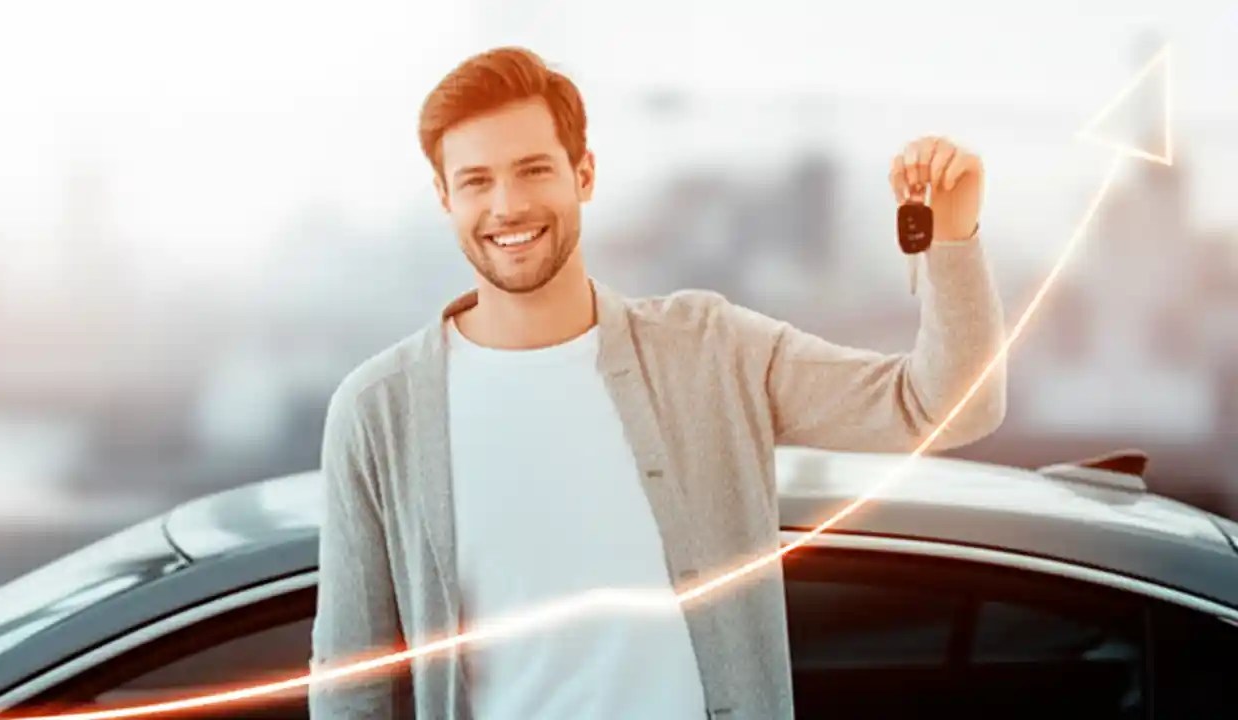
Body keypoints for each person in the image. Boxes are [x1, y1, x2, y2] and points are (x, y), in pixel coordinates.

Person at [309, 46, 1007, 720]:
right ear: (444, 197)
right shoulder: (379, 414)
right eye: (476, 181)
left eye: (533, 170)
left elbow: (945, 405)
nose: (508, 205)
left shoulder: (709, 351)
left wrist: (951, 235)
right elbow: (351, 691)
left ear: (584, 174)